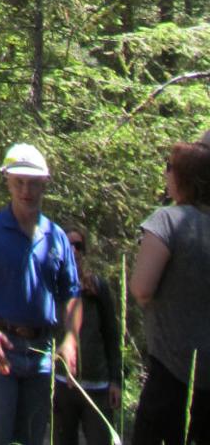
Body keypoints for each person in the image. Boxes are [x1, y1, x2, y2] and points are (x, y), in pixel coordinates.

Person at [0, 141, 81, 445]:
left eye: (33, 183)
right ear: (8, 183)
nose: (26, 190)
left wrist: (71, 338)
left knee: (33, 436)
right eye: (19, 182)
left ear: (44, 184)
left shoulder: (57, 237)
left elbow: (71, 292)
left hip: (41, 351)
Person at [130, 140, 210, 444]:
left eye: (168, 168)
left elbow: (141, 288)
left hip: (171, 375)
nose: (165, 174)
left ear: (182, 177)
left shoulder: (167, 220)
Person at [52, 225, 121, 445]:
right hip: (63, 384)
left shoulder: (97, 287)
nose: (73, 250)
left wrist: (115, 381)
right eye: (68, 244)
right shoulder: (54, 286)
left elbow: (111, 334)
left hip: (97, 386)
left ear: (84, 251)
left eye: (78, 245)